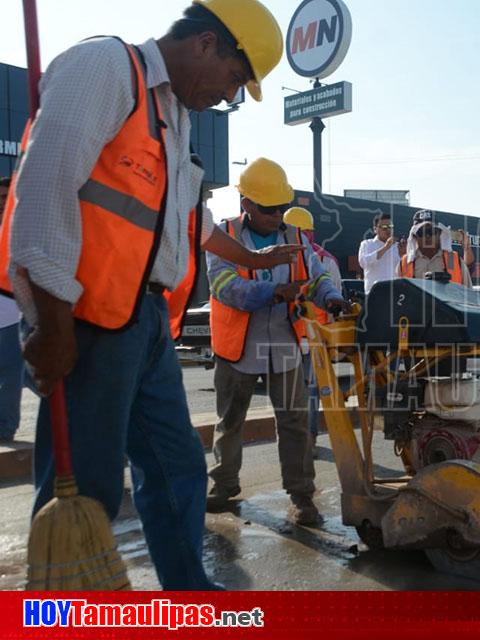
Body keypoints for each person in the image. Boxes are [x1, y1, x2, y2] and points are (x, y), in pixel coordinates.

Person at [0, 1, 298, 590]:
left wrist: (259, 260)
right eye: (235, 80)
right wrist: (51, 320)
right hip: (86, 317)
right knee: (86, 483)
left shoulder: (174, 118)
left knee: (177, 465)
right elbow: (43, 188)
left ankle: (188, 594)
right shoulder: (106, 68)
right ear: (207, 43)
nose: (228, 95)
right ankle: (65, 609)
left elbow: (193, 226)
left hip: (146, 321)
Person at [206, 159, 348, 525]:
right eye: (268, 208)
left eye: (282, 207)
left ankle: (302, 497)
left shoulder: (295, 237)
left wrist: (330, 296)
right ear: (246, 204)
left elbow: (316, 278)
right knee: (230, 421)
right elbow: (224, 287)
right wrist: (274, 292)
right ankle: (223, 485)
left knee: (295, 422)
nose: (277, 215)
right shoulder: (223, 235)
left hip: (284, 343)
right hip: (238, 345)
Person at [283, 205, 342, 459]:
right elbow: (335, 300)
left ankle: (299, 441)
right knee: (310, 392)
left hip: (291, 336)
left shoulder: (279, 257)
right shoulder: (327, 260)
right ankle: (307, 439)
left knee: (291, 392)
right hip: (315, 338)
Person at [0, 176, 22, 442]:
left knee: (11, 377)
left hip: (13, 318)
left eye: (6, 197)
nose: (1, 202)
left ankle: (4, 429)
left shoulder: (22, 229)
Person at [398, 209, 472, 286]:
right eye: (422, 232)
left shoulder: (452, 259)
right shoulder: (404, 263)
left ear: (439, 233)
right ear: (414, 236)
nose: (427, 236)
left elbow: (468, 291)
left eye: (431, 231)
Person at [358, 213, 402, 295]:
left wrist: (404, 254)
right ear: (375, 229)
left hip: (394, 293)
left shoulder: (398, 246)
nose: (388, 230)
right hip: (374, 293)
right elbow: (363, 263)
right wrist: (385, 248)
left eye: (390, 226)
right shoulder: (367, 244)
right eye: (384, 227)